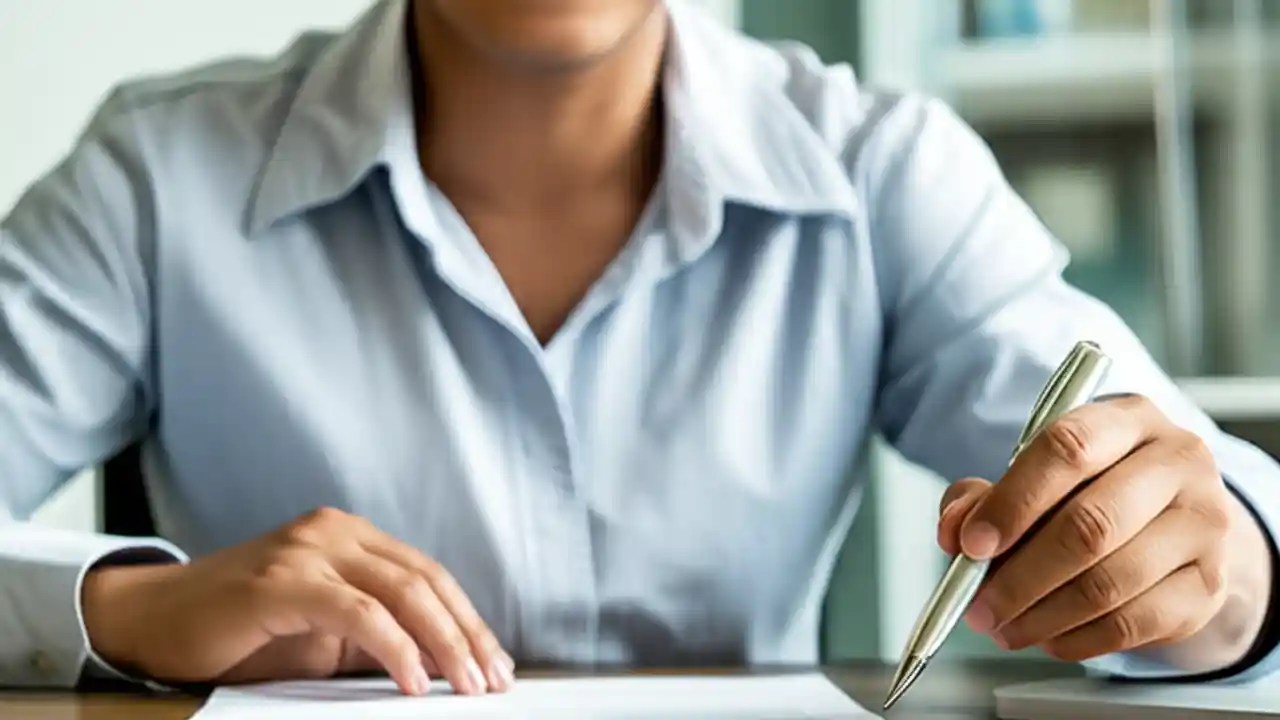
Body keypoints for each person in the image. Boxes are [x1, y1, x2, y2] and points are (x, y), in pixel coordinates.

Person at [0, 0, 1276, 698]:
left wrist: (1214, 577)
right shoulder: (155, 177)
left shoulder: (880, 170)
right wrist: (134, 610)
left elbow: (1219, 519)